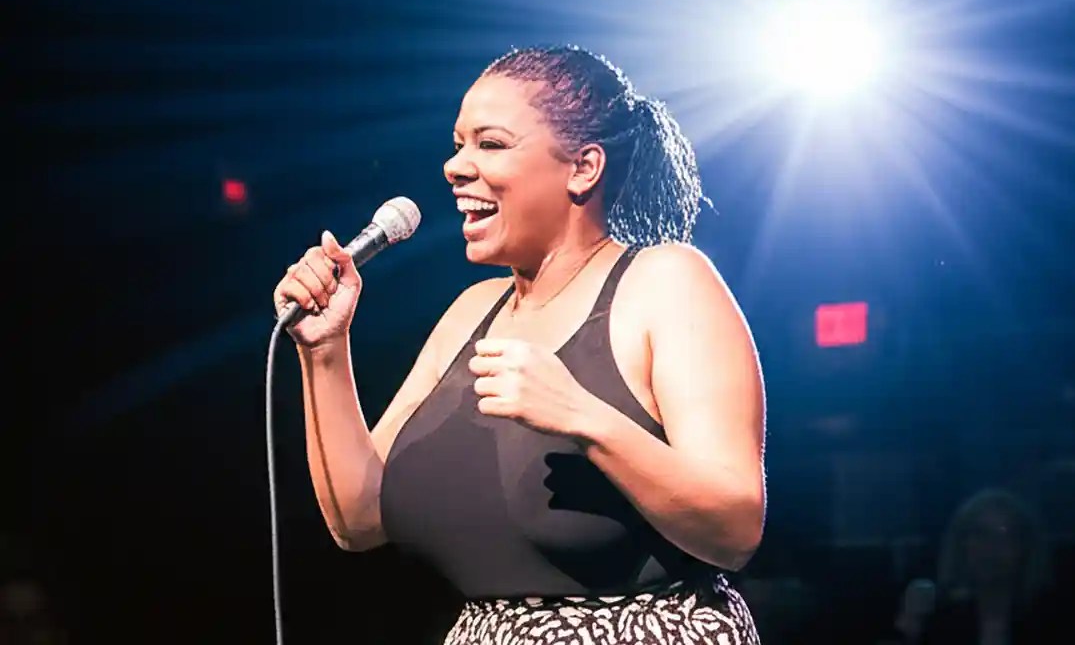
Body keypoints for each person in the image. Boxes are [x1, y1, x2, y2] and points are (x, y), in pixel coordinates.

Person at [272, 44, 766, 644]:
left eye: (491, 143)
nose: (455, 166)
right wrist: (323, 352)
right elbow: (359, 517)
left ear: (583, 168)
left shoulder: (664, 281)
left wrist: (585, 418)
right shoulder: (470, 312)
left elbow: (736, 527)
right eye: (458, 144)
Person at [894, 488, 1058, 645]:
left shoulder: (1054, 616)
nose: (991, 547)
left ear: (1025, 547)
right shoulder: (936, 616)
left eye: (1006, 535)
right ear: (961, 543)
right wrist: (909, 626)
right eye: (980, 533)